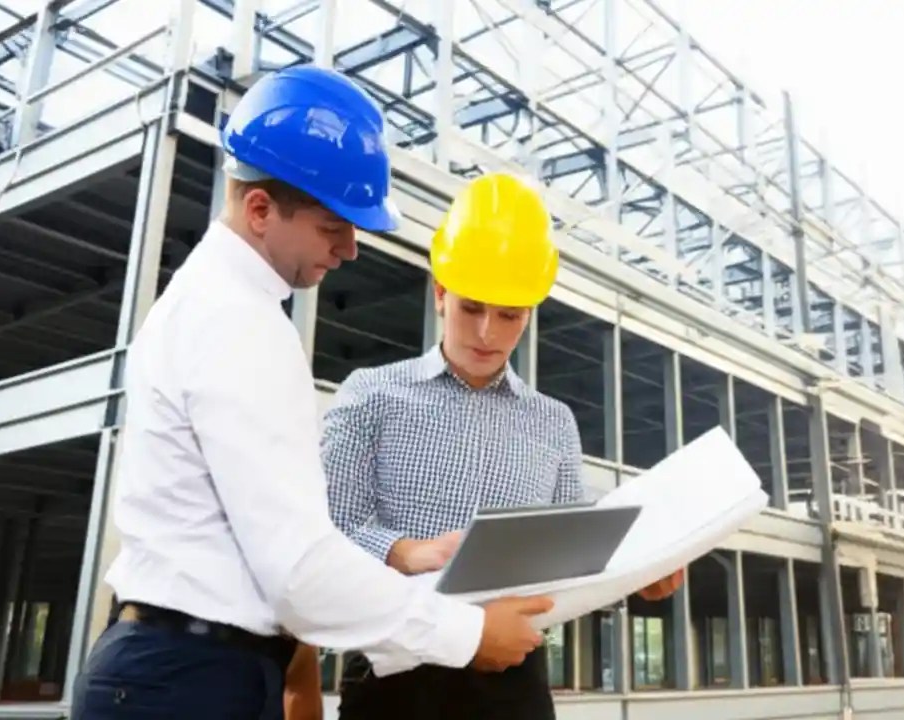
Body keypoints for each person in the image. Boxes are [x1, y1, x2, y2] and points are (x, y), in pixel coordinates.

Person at [68, 67, 554, 720]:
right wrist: (466, 632)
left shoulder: (217, 306)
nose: (350, 249)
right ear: (260, 210)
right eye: (333, 226)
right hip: (189, 679)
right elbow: (301, 570)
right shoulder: (237, 323)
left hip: (196, 671)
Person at [318, 173, 684, 720]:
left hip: (514, 683)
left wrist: (640, 577)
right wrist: (405, 551)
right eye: (472, 308)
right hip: (397, 674)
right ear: (441, 293)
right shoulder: (371, 394)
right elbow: (326, 529)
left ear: (530, 313)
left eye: (509, 315)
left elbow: (574, 556)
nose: (488, 332)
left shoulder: (554, 423)